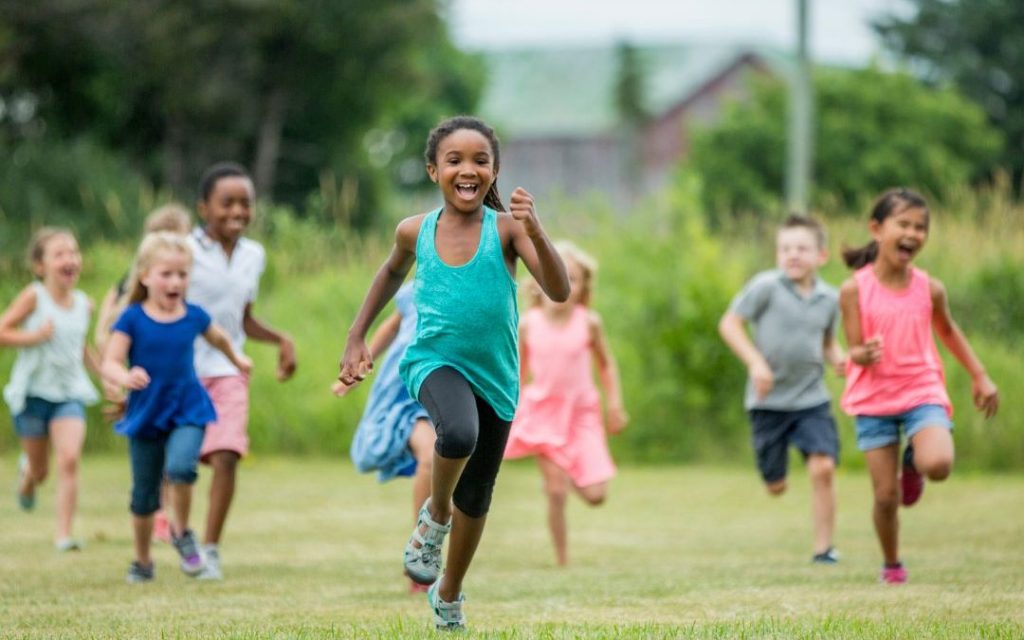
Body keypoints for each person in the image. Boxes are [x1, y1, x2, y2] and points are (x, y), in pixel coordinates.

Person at [337, 115, 569, 631]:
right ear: (432, 170)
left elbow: (558, 290)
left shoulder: (507, 229)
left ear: (495, 170)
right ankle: (435, 515)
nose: (468, 170)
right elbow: (390, 272)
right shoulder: (414, 231)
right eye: (455, 160)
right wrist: (357, 335)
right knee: (458, 432)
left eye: (480, 161)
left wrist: (537, 229)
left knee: (478, 495)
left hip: (497, 377)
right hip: (433, 361)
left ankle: (449, 592)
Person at [838, 188, 998, 585]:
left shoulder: (930, 288)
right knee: (885, 497)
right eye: (903, 224)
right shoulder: (854, 289)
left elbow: (947, 331)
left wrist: (980, 374)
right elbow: (853, 347)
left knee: (938, 464)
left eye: (920, 227)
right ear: (877, 229)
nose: (913, 233)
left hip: (921, 389)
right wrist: (861, 354)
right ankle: (892, 564)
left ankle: (914, 464)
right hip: (873, 397)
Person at [101, 231, 252, 584]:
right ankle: (142, 561)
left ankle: (181, 532)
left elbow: (219, 337)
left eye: (182, 275)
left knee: (183, 468)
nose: (175, 282)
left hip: (188, 408)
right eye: (166, 274)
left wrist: (237, 359)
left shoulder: (193, 316)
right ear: (145, 276)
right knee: (144, 495)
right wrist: (125, 376)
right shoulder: (132, 318)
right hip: (147, 412)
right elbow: (110, 360)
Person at [186, 162, 297, 581]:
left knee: (227, 454)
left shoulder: (255, 255)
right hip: (183, 372)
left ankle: (209, 548)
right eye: (226, 203)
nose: (237, 211)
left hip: (230, 367)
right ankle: (176, 531)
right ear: (203, 207)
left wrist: (282, 340)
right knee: (180, 464)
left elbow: (242, 320)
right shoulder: (184, 250)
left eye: (245, 203)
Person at [718, 214, 846, 564]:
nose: (793, 255)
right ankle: (774, 476)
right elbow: (729, 324)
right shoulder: (766, 287)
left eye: (802, 248)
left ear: (821, 255)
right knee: (775, 487)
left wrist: (840, 360)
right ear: (777, 254)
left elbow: (827, 342)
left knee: (823, 467)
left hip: (811, 399)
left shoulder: (830, 299)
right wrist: (756, 363)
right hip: (767, 402)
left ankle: (823, 550)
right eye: (785, 248)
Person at [504, 241, 628, 567]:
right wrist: (508, 408)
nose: (564, 286)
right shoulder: (528, 324)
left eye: (572, 278)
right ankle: (562, 562)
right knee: (555, 492)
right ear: (539, 282)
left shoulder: (589, 322)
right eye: (556, 276)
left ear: (584, 285)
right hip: (541, 413)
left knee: (596, 496)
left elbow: (607, 364)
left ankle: (567, 469)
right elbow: (518, 372)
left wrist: (615, 404)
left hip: (581, 415)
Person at [94, 203, 193, 544]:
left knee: (176, 454)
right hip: (142, 383)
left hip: (176, 383)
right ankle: (158, 512)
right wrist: (114, 377)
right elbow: (105, 330)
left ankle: (166, 513)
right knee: (152, 455)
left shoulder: (184, 284)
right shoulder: (131, 285)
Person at [332, 282, 436, 593]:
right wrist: (358, 370)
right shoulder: (414, 288)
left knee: (448, 478)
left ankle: (431, 550)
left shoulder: (472, 280)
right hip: (402, 393)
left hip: (443, 389)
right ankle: (421, 555)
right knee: (430, 458)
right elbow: (393, 326)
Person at [1, 227, 100, 551]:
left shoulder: (84, 304)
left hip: (69, 393)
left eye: (73, 252)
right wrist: (34, 337)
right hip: (32, 394)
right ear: (40, 266)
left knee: (69, 459)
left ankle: (64, 534)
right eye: (60, 254)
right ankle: (28, 476)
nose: (70, 259)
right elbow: (3, 332)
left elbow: (80, 347)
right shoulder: (34, 296)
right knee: (42, 470)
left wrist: (107, 376)